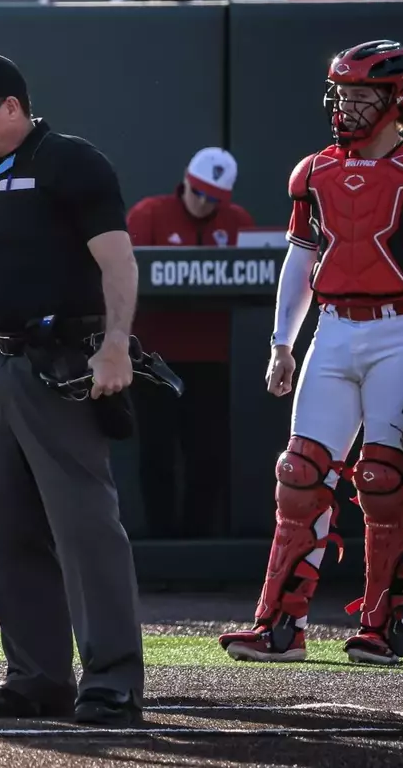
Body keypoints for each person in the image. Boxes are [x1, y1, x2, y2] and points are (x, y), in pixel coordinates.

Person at [0, 53, 143, 725]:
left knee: (84, 527)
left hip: (60, 364)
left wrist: (115, 344)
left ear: (12, 107)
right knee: (6, 528)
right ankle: (37, 675)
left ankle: (112, 678)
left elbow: (118, 260)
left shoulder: (71, 161)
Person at [218, 39, 403, 668]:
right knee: (300, 475)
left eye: (362, 95)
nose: (347, 107)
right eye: (342, 94)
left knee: (385, 480)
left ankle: (382, 626)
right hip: (332, 328)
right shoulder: (314, 170)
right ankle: (280, 624)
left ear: (399, 98)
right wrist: (283, 341)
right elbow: (301, 257)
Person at [126, 147, 254, 538]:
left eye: (214, 197)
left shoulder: (236, 222)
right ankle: (164, 544)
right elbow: (125, 278)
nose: (203, 203)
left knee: (208, 455)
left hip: (208, 358)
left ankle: (199, 542)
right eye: (198, 192)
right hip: (154, 359)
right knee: (157, 454)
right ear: (185, 181)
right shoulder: (149, 214)